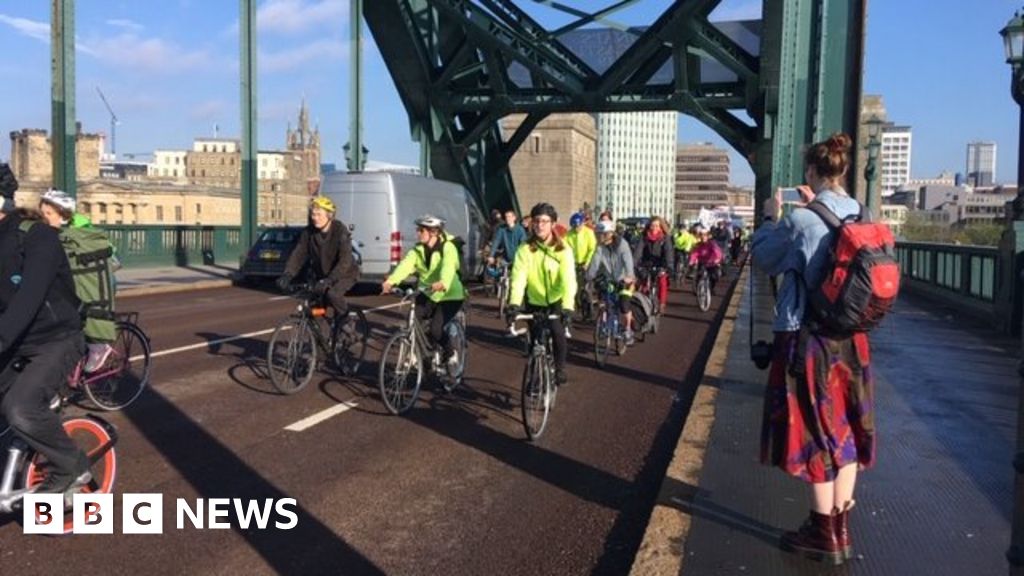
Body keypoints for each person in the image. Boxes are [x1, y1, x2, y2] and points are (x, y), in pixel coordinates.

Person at [751, 132, 873, 565]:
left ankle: (824, 533)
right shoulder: (863, 211)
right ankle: (839, 527)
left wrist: (772, 217)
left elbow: (763, 257)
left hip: (807, 338)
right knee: (846, 429)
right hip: (853, 340)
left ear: (813, 172)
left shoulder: (801, 220)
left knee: (814, 433)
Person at [0, 163, 92, 499]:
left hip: (57, 339)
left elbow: (28, 300)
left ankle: (70, 467)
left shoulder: (37, 237)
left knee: (21, 408)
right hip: (17, 342)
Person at [38, 189, 118, 373]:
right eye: (41, 213)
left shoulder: (79, 231)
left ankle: (97, 346)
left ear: (64, 215)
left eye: (48, 214)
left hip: (100, 278)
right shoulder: (51, 230)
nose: (43, 217)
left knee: (81, 313)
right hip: (79, 278)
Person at [381, 215, 465, 370]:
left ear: (433, 232)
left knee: (435, 329)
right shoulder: (417, 250)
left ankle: (451, 352)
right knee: (413, 320)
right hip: (428, 293)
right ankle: (420, 355)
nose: (417, 233)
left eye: (421, 230)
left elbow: (448, 266)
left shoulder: (448, 248)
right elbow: (405, 266)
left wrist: (443, 282)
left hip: (449, 295)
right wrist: (391, 281)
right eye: (418, 230)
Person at [505, 203, 576, 385]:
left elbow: (569, 280)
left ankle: (560, 369)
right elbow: (519, 278)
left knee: (557, 332)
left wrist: (568, 307)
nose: (540, 225)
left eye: (545, 221)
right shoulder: (525, 249)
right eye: (536, 221)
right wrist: (514, 304)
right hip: (533, 301)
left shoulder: (563, 250)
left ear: (553, 224)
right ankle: (535, 375)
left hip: (555, 301)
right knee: (534, 339)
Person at [277, 196, 360, 332]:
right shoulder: (308, 232)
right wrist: (287, 274)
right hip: (322, 275)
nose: (315, 217)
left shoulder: (339, 230)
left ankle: (346, 319)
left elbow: (345, 261)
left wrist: (330, 279)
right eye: (313, 214)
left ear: (329, 215)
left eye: (319, 214)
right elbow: (298, 254)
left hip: (345, 273)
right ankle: (320, 349)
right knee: (316, 310)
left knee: (332, 294)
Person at [586, 220, 636, 345]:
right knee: (605, 301)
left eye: (601, 234)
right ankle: (604, 324)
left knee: (624, 304)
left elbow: (628, 261)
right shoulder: (600, 247)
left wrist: (629, 276)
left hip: (624, 279)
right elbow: (594, 264)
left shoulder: (622, 244)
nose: (598, 236)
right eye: (597, 234)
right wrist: (588, 277)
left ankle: (628, 330)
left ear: (610, 234)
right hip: (609, 280)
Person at [632, 216, 674, 313]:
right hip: (646, 264)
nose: (654, 228)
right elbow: (638, 252)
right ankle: (642, 304)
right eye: (652, 225)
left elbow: (668, 253)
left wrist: (669, 266)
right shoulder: (644, 237)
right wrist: (634, 264)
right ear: (649, 226)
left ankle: (662, 303)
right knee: (642, 283)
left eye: (657, 226)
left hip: (660, 263)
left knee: (662, 280)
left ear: (660, 227)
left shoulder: (665, 238)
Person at [688, 225, 723, 293]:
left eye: (705, 235)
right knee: (699, 275)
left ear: (707, 236)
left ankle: (711, 288)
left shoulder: (712, 244)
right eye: (702, 236)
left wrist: (717, 259)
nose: (703, 237)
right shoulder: (698, 245)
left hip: (711, 262)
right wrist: (692, 261)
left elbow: (717, 252)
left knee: (713, 276)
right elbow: (694, 253)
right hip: (702, 262)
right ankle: (698, 289)